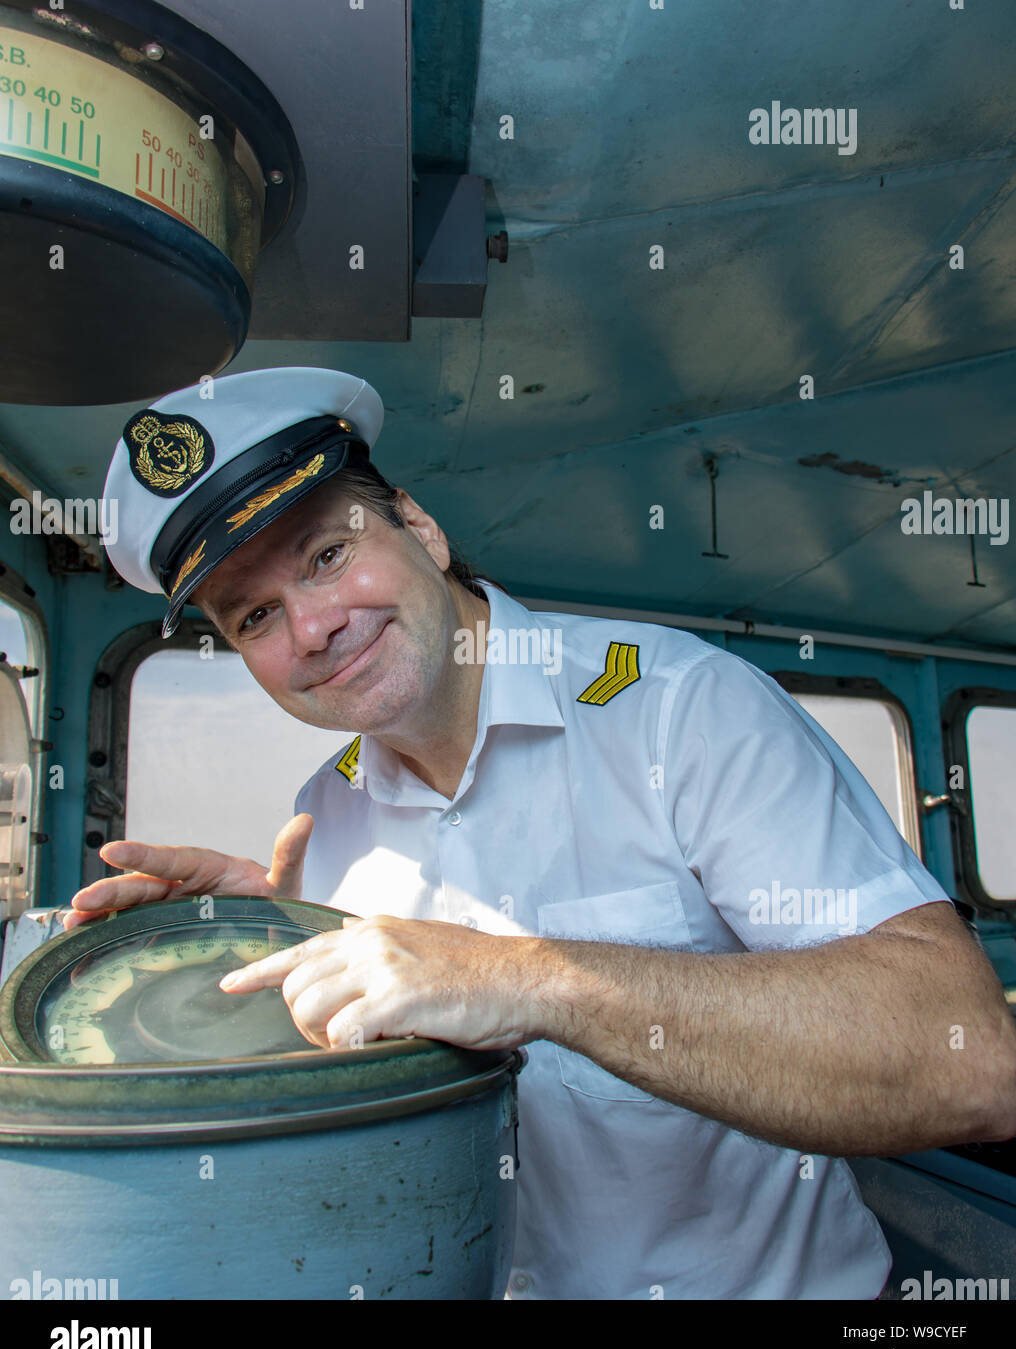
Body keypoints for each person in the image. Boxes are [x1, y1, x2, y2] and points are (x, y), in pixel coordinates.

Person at [69, 366, 1016, 1300]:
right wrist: (251, 947)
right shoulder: (330, 810)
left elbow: (966, 1059)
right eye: (255, 616)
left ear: (421, 527)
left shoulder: (677, 710)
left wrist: (523, 977)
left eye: (324, 555)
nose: (311, 627)